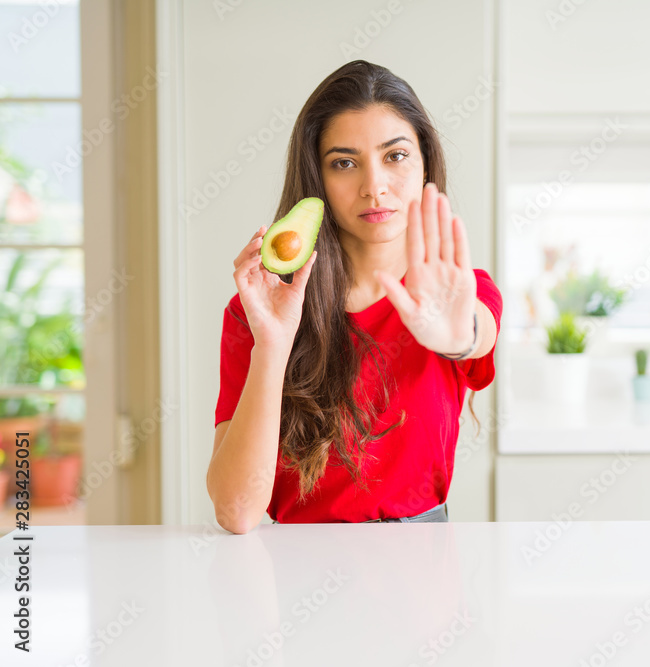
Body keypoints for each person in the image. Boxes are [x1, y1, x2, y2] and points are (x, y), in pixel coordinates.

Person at [207, 61, 502, 533]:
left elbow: (475, 333)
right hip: (295, 573)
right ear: (316, 179)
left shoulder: (459, 293)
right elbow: (236, 512)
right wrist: (274, 344)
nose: (374, 187)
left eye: (396, 156)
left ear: (425, 162)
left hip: (422, 568)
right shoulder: (258, 311)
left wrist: (458, 336)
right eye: (344, 163)